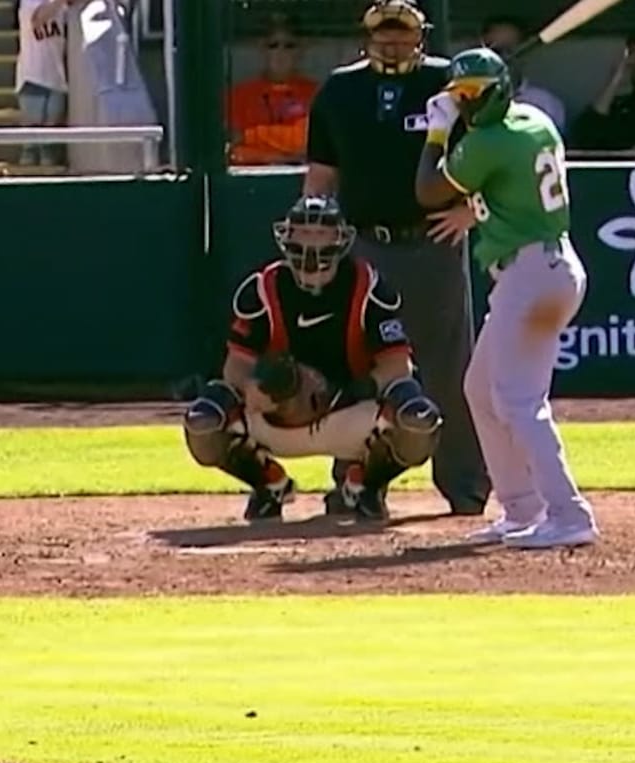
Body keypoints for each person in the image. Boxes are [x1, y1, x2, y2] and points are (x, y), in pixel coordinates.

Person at [302, 0, 488, 517]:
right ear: (366, 37)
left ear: (420, 36)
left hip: (431, 243)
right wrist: (317, 230)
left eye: (401, 33)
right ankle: (356, 483)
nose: (392, 42)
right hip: (361, 244)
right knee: (359, 368)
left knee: (448, 369)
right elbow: (321, 173)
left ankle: (466, 486)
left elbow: (492, 154)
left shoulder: (449, 86)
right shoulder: (340, 90)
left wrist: (470, 212)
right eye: (383, 33)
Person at [414, 48, 598, 549]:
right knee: (479, 387)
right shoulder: (532, 121)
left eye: (474, 95)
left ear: (498, 91)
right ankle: (522, 508)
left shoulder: (491, 141)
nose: (468, 105)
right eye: (461, 97)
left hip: (534, 273)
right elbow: (509, 189)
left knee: (520, 401)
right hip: (542, 265)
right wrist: (479, 210)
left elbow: (428, 190)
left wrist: (437, 131)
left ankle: (569, 514)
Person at [183, 194, 442, 522]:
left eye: (321, 235)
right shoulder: (261, 289)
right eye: (303, 233)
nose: (311, 245)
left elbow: (397, 366)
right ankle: (267, 483)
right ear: (286, 237)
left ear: (340, 239)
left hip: (350, 415)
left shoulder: (369, 286)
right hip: (277, 415)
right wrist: (255, 390)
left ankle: (366, 485)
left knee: (416, 415)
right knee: (204, 418)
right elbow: (236, 365)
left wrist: (345, 393)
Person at [227, 14, 317, 166]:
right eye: (273, 45)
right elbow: (232, 151)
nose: (280, 53)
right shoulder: (238, 96)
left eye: (289, 45)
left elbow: (307, 142)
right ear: (262, 48)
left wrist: (247, 137)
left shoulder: (317, 94)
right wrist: (282, 158)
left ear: (301, 49)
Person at [478, 14, 566, 132]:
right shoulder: (464, 103)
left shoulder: (545, 104)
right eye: (496, 51)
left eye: (511, 51)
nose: (504, 58)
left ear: (525, 56)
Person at [15, 0, 70, 166]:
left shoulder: (60, 7)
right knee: (31, 145)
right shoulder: (29, 3)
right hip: (32, 77)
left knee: (49, 148)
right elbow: (38, 18)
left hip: (57, 78)